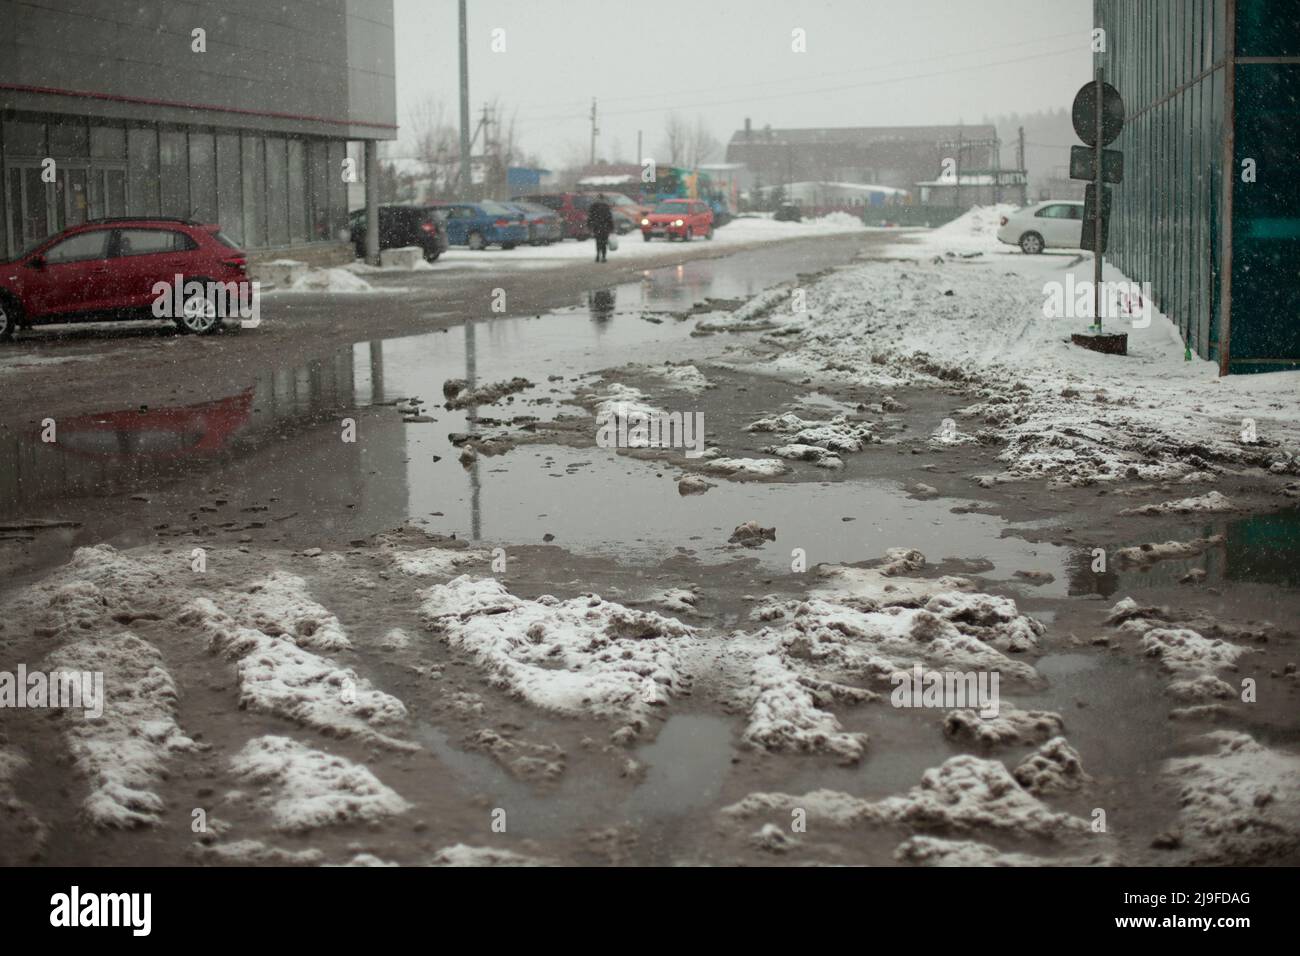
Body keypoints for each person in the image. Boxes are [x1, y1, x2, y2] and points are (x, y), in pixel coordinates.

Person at [586, 197, 614, 262]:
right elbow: (609, 218)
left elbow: (590, 217)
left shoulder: (593, 207)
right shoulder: (606, 207)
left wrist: (589, 226)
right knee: (604, 243)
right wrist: (611, 227)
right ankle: (603, 257)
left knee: (598, 242)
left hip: (597, 227)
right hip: (605, 228)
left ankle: (598, 255)